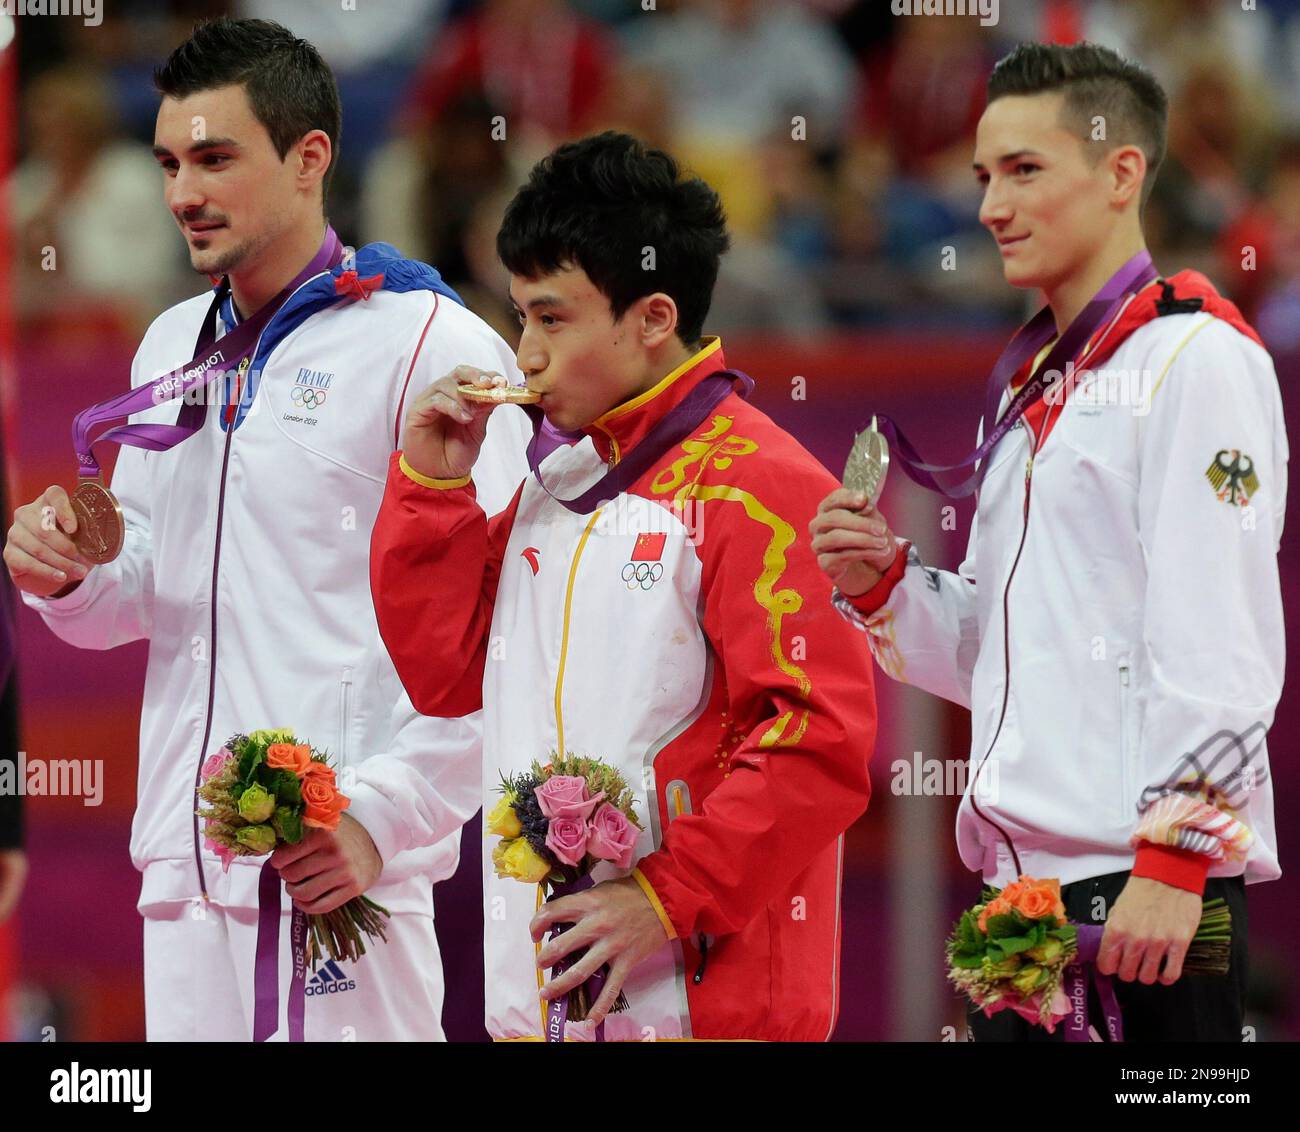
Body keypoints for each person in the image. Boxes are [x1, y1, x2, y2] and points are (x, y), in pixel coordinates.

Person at [4, 17, 530, 1041]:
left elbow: (500, 635)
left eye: (213, 158)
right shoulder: (173, 341)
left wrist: (383, 817)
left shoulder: (432, 344)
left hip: (331, 873)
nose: (182, 194)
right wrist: (69, 571)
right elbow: (142, 599)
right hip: (184, 870)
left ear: (309, 159)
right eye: (166, 163)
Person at [813, 42, 1287, 1042]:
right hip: (1019, 904)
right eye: (984, 176)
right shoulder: (1037, 392)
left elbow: (1219, 630)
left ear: (1121, 173)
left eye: (1025, 170)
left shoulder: (1191, 359)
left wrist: (1177, 857)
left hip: (1145, 893)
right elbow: (1006, 658)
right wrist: (885, 590)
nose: (989, 206)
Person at [369, 132, 877, 1042]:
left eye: (551, 320)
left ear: (651, 317)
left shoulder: (762, 486)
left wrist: (667, 894)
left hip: (709, 1006)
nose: (524, 354)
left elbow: (819, 740)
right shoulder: (555, 483)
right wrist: (432, 490)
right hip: (543, 1002)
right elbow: (445, 677)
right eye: (520, 317)